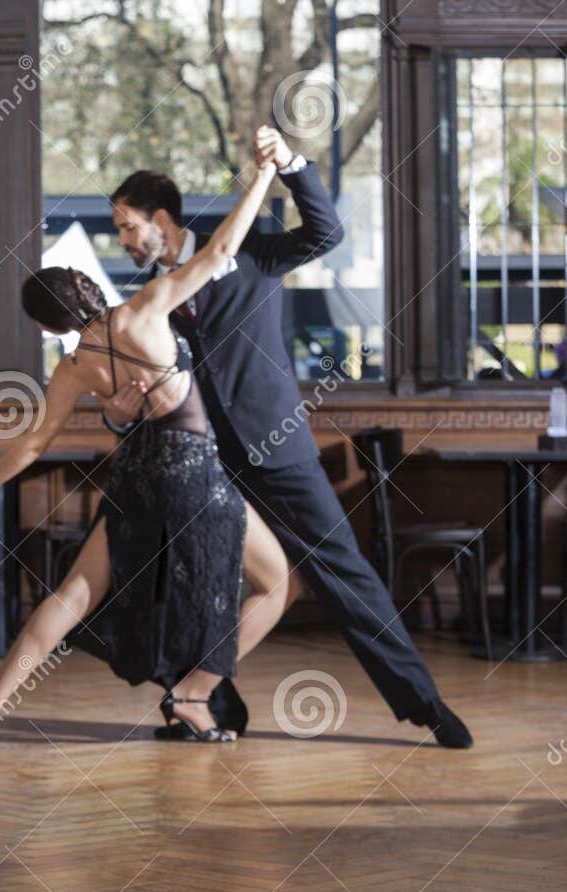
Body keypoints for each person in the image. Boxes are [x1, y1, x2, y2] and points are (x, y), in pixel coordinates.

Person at [108, 126, 473, 748]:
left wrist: (293, 164)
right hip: (207, 463)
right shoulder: (149, 300)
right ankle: (209, 705)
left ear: (161, 220)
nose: (121, 240)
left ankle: (424, 704)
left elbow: (327, 234)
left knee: (344, 573)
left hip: (279, 449)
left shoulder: (248, 251)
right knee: (202, 581)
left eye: (126, 226)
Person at [0, 134, 290, 747]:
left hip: (135, 476)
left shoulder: (72, 369)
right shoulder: (145, 309)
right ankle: (195, 694)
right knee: (277, 582)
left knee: (73, 594)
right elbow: (224, 245)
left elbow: (32, 446)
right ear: (85, 290)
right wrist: (261, 175)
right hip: (194, 472)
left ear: (50, 323)